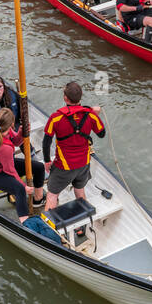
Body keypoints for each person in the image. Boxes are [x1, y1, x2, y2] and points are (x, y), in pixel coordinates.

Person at [41, 81, 105, 211]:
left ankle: (48, 229)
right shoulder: (91, 115)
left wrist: (47, 160)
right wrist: (94, 113)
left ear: (65, 98)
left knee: (52, 196)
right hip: (83, 164)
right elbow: (102, 134)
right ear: (80, 98)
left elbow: (46, 142)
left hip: (63, 166)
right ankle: (81, 229)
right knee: (80, 191)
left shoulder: (56, 118)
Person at [0, 108, 40, 219]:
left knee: (38, 167)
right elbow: (10, 170)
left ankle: (38, 199)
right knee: (19, 189)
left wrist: (22, 132)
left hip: (3, 163)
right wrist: (24, 186)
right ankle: (25, 222)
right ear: (12, 123)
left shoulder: (1, 128)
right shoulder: (4, 148)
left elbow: (16, 142)